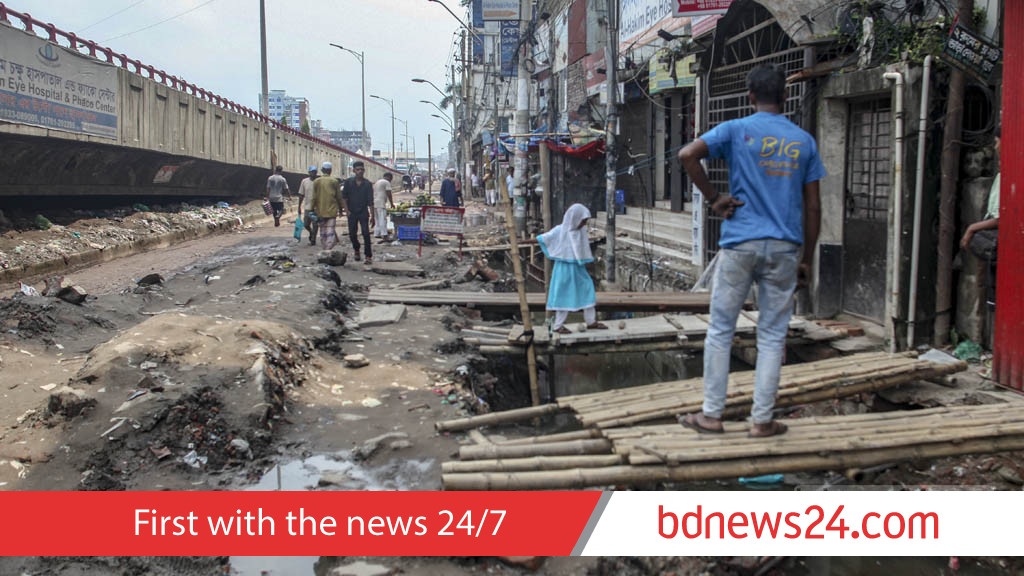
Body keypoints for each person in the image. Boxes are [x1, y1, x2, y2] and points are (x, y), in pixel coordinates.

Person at [677, 64, 824, 438]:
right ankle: (762, 421)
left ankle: (711, 415)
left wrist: (714, 199)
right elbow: (813, 207)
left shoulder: (736, 130)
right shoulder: (803, 141)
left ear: (750, 97)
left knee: (721, 330)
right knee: (773, 335)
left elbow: (687, 155)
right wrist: (806, 257)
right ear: (785, 96)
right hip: (785, 248)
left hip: (739, 243)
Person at [537, 204, 606, 334]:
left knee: (588, 289)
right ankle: (558, 325)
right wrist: (529, 242)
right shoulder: (560, 230)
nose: (584, 223)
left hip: (577, 267)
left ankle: (591, 321)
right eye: (583, 220)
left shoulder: (581, 232)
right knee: (563, 294)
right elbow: (545, 238)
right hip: (563, 268)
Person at [961, 126, 1000, 347]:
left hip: (999, 243)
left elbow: (1001, 218)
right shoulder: (1000, 176)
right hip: (993, 245)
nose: (995, 147)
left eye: (997, 142)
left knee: (996, 296)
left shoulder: (1009, 176)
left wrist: (972, 228)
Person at [342, 160, 375, 264]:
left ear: (364, 170)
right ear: (354, 170)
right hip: (352, 212)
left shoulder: (367, 184)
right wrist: (346, 211)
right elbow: (344, 198)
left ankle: (368, 255)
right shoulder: (348, 183)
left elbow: (370, 201)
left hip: (363, 212)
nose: (360, 171)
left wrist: (372, 216)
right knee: (352, 234)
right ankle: (356, 249)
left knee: (366, 233)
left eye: (362, 169)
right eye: (358, 169)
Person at [311, 161, 342, 250]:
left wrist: (311, 209)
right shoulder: (334, 181)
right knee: (330, 230)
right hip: (332, 210)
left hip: (320, 211)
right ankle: (328, 248)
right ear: (330, 170)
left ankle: (324, 247)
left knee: (322, 230)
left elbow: (314, 197)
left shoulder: (317, 181)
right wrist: (341, 209)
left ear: (322, 170)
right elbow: (339, 197)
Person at [297, 165, 318, 246]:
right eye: (312, 172)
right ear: (309, 173)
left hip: (317, 208)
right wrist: (299, 206)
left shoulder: (318, 181)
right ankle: (311, 232)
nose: (313, 173)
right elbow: (301, 195)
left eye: (315, 172)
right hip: (307, 207)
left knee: (315, 224)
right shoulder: (304, 181)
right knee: (306, 224)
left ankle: (313, 240)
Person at [374, 172, 395, 239]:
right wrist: (391, 203)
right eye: (391, 179)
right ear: (389, 177)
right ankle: (384, 234)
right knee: (383, 218)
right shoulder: (386, 182)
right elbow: (389, 193)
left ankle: (377, 233)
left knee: (377, 219)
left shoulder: (377, 182)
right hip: (381, 202)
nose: (391, 181)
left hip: (375, 202)